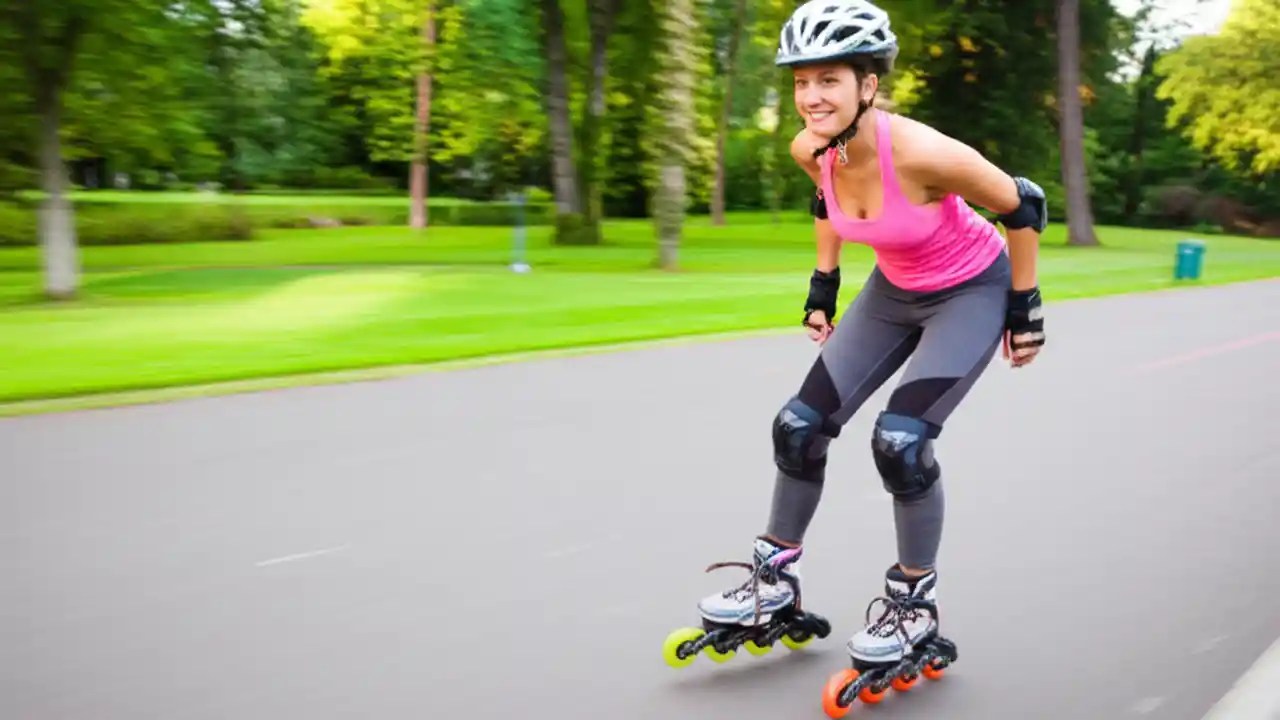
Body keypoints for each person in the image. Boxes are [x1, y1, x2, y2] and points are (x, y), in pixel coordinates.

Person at [695, 0, 1047, 667]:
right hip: (891, 291)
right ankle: (774, 582)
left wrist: (1023, 306)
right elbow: (828, 204)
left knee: (901, 442)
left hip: (969, 290)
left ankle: (913, 607)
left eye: (829, 79)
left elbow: (1024, 204)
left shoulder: (923, 151)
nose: (811, 96)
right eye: (801, 81)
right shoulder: (810, 146)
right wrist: (822, 287)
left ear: (869, 85)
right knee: (798, 427)